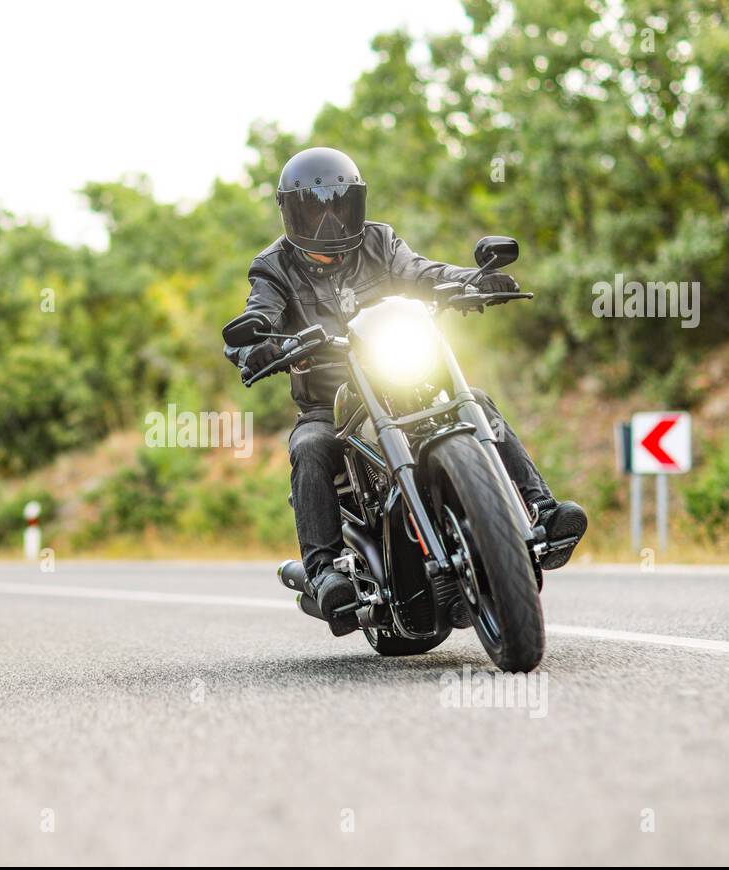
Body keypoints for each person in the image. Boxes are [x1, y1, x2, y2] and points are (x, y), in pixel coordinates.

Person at [225, 147, 587, 634]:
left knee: (474, 401)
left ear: (356, 203)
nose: (328, 218)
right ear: (291, 210)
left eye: (338, 204)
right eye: (315, 207)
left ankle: (540, 508)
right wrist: (260, 345)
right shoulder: (274, 266)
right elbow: (260, 312)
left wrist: (471, 282)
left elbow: (423, 273)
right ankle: (325, 570)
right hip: (331, 401)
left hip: (402, 381)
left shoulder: (379, 241)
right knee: (310, 444)